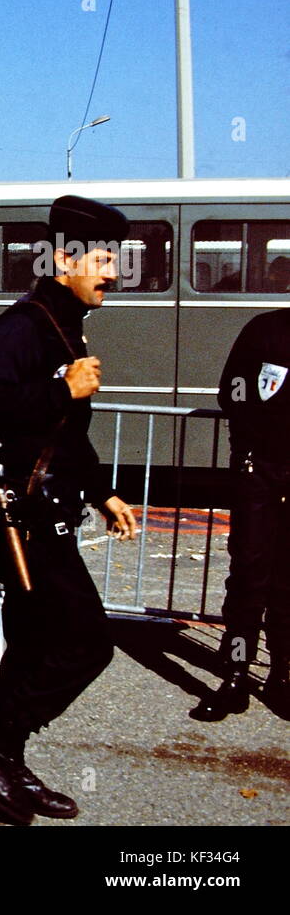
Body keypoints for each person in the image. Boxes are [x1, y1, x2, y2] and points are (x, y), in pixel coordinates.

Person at [0, 194, 139, 823]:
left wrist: (102, 492)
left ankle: (2, 755)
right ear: (65, 258)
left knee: (33, 644)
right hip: (26, 524)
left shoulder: (64, 325)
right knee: (86, 643)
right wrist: (62, 385)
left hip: (52, 513)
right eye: (104, 259)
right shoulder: (26, 325)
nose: (114, 273)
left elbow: (64, 435)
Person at [192, 305, 290, 720]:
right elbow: (231, 390)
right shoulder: (265, 329)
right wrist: (257, 437)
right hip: (260, 472)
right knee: (249, 576)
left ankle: (282, 675)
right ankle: (234, 674)